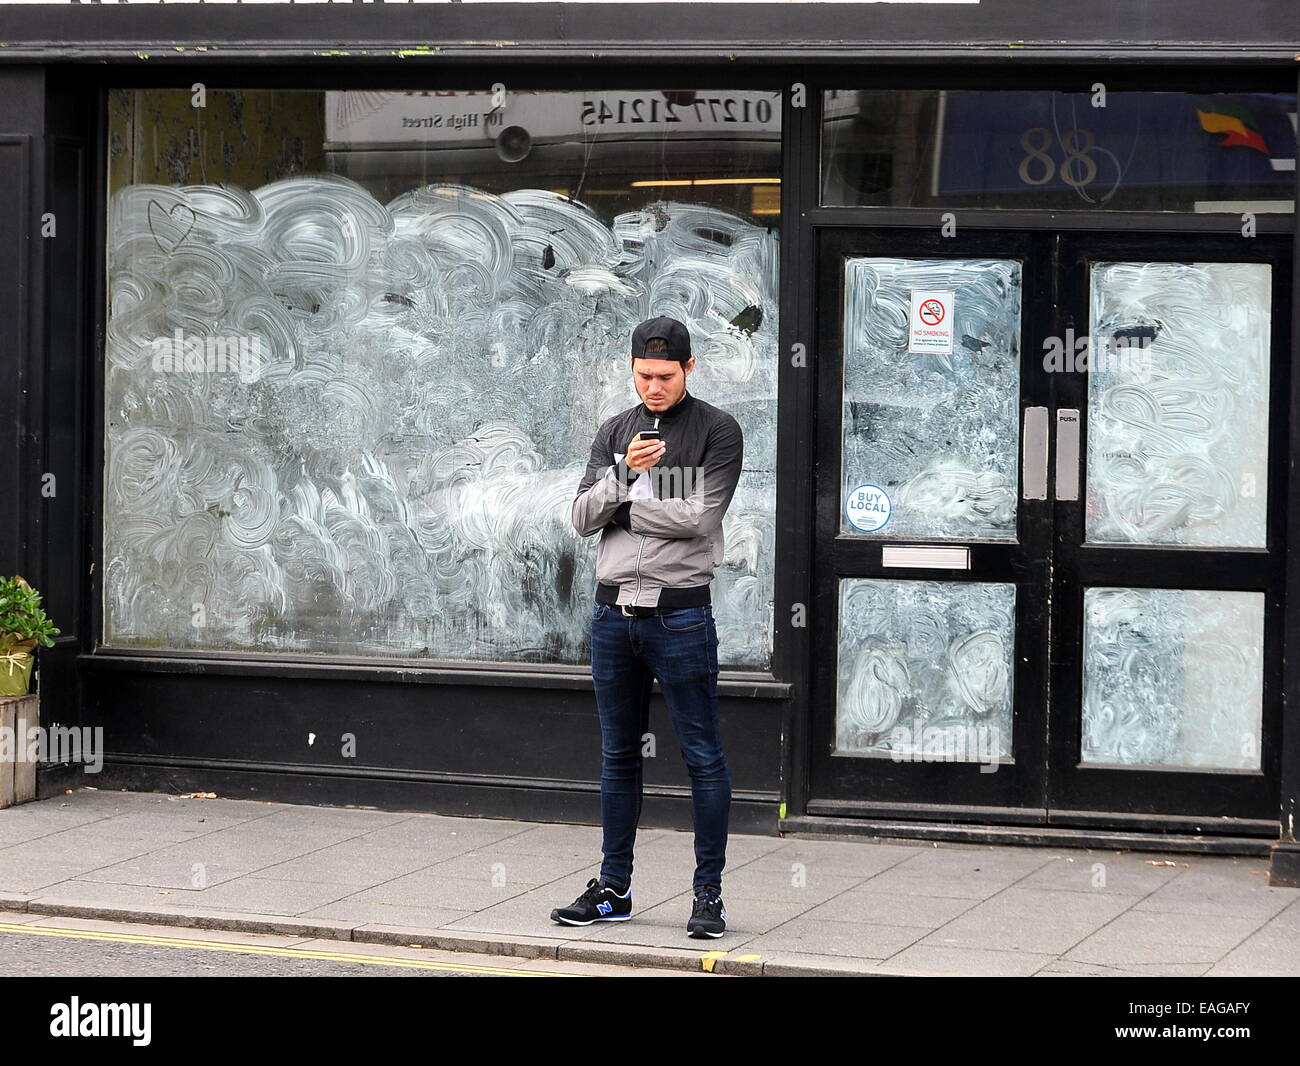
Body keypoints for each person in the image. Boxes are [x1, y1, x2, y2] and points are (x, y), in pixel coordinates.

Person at [551, 315, 744, 939]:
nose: (652, 388)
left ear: (690, 368)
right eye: (642, 376)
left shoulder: (717, 431)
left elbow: (700, 518)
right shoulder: (615, 431)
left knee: (702, 758)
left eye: (665, 376)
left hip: (681, 614)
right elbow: (580, 519)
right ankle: (613, 889)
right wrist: (624, 477)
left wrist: (628, 505)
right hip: (612, 614)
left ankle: (708, 896)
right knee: (617, 757)